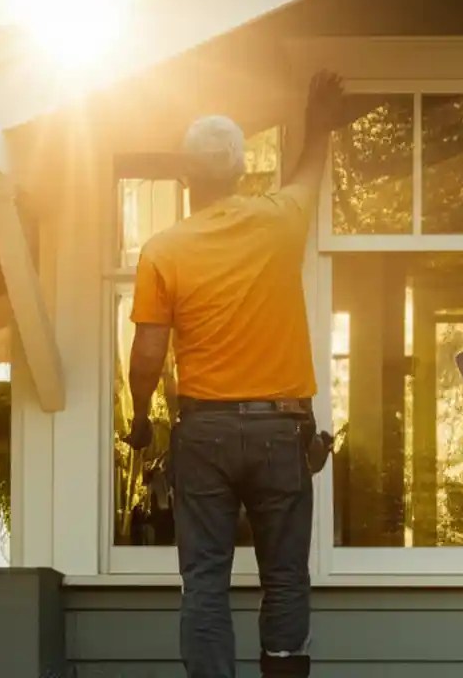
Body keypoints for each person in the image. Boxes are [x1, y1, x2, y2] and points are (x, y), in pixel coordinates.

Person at [124, 72, 345, 678]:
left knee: (204, 580)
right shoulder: (281, 219)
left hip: (205, 433)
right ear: (242, 170)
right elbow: (309, 170)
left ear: (187, 177)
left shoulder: (163, 249)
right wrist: (318, 117)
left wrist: (142, 418)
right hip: (280, 431)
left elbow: (147, 355)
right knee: (284, 574)